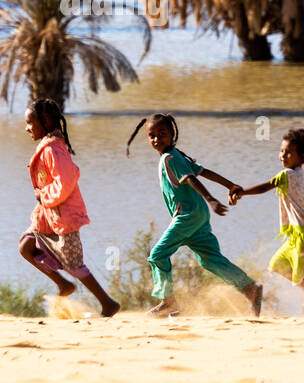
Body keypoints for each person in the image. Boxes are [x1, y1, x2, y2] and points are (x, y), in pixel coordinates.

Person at [126, 113, 262, 317]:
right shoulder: (177, 155)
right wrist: (230, 185)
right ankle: (249, 288)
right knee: (210, 259)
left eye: (161, 134)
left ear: (172, 134)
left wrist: (211, 199)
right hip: (199, 217)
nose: (156, 139)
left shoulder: (170, 158)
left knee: (157, 255)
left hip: (187, 216)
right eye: (151, 135)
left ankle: (167, 302)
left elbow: (191, 178)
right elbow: (204, 172)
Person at [18, 98, 119, 317]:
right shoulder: (48, 147)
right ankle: (64, 285)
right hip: (48, 217)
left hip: (64, 219)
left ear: (45, 120)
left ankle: (107, 303)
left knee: (74, 264)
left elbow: (65, 181)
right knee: (26, 245)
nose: (26, 128)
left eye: (30, 122)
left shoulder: (54, 150)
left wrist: (42, 195)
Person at [230, 128, 304, 315]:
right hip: (297, 233)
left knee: (302, 275)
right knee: (277, 265)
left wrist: (242, 192)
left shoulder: (287, 176)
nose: (282, 156)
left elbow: (266, 186)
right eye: (281, 151)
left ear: (302, 156)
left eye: (288, 152)